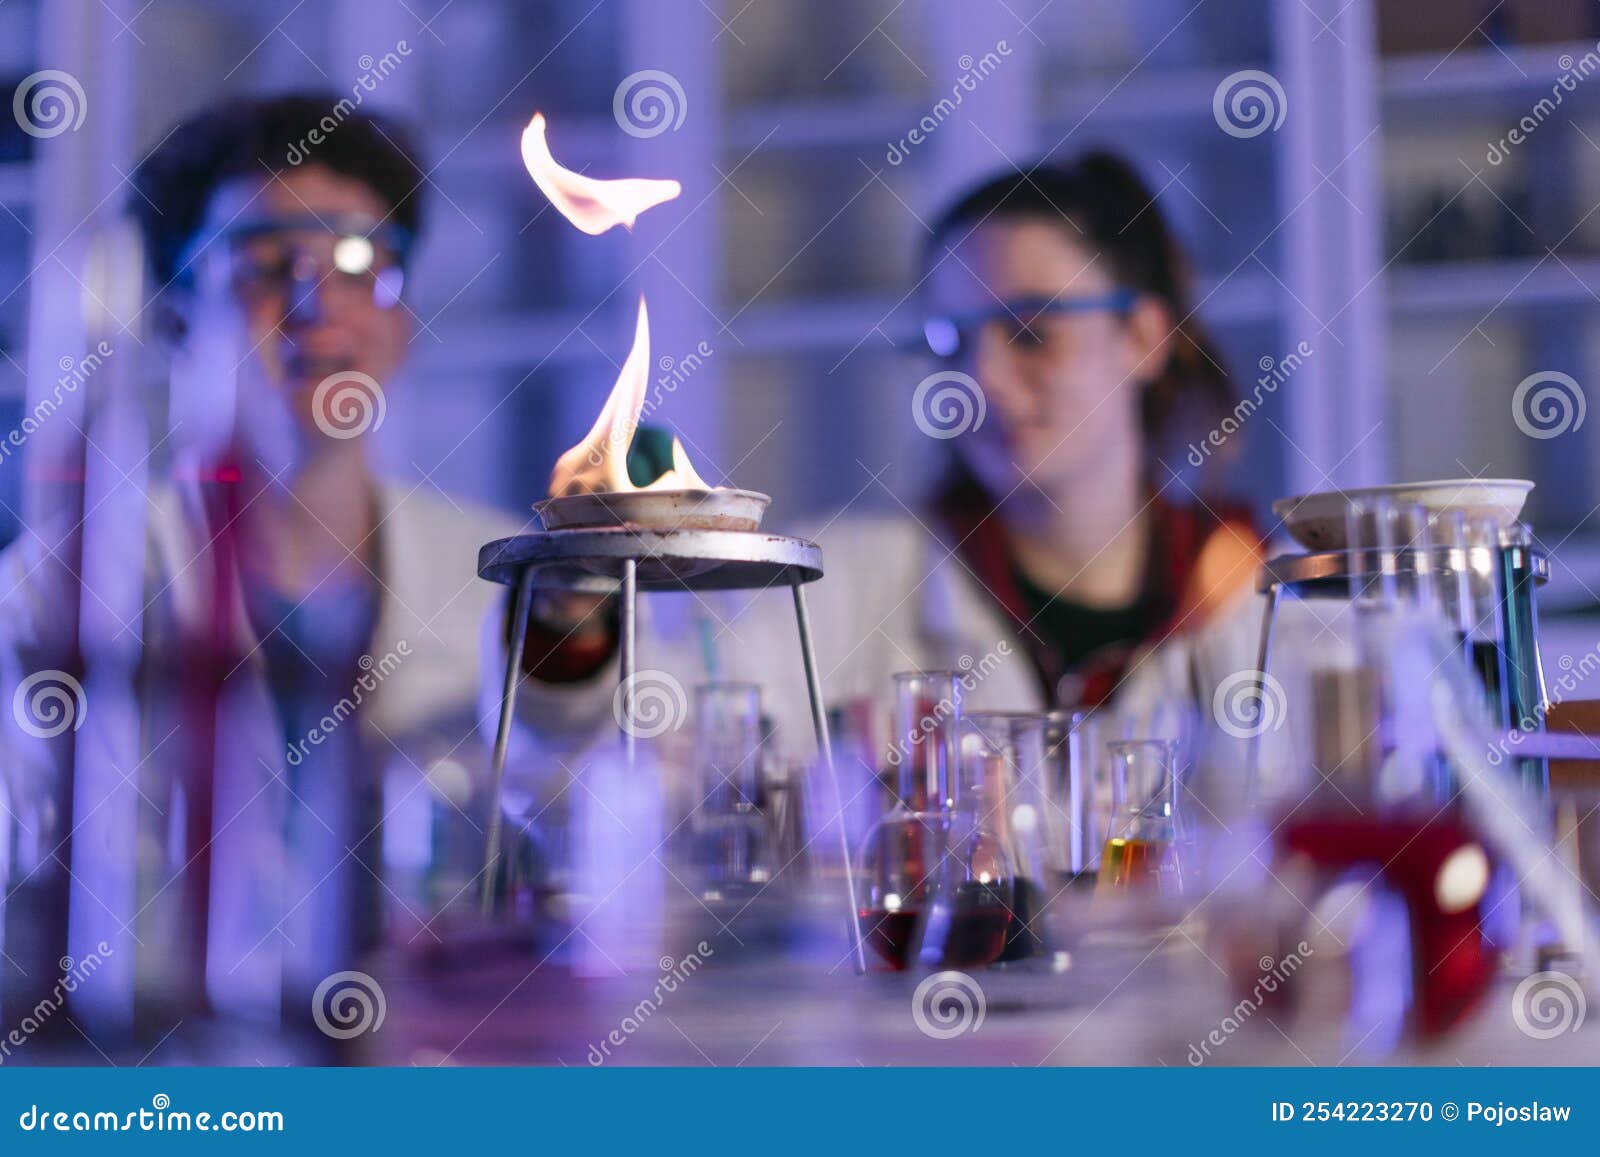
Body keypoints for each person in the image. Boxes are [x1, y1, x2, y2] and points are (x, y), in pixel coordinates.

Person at [491, 151, 1265, 825]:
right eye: (949, 341)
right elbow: (602, 770)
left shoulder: (1260, 612)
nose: (981, 378)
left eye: (1030, 329)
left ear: (1142, 337)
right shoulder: (851, 588)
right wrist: (573, 611)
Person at [0, 94, 519, 1033]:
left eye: (364, 263)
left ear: (402, 322)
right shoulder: (47, 596)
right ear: (176, 315)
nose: (320, 309)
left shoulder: (506, 581)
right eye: (267, 265)